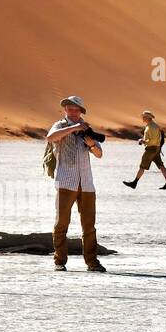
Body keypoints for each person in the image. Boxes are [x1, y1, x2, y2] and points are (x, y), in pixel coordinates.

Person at [45, 95, 107, 273]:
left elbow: (99, 154)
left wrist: (91, 144)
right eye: (69, 109)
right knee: (61, 223)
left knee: (89, 225)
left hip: (87, 184)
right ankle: (59, 261)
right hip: (66, 181)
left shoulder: (86, 128)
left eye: (76, 109)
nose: (72, 111)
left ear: (81, 111)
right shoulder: (60, 125)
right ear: (65, 110)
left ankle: (92, 262)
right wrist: (74, 128)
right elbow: (51, 138)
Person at [124, 109, 166, 190]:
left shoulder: (152, 127)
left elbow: (152, 140)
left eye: (143, 117)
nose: (142, 118)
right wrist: (144, 140)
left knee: (142, 166)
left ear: (147, 117)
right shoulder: (151, 125)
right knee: (160, 165)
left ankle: (134, 183)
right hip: (156, 149)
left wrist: (143, 141)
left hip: (151, 149)